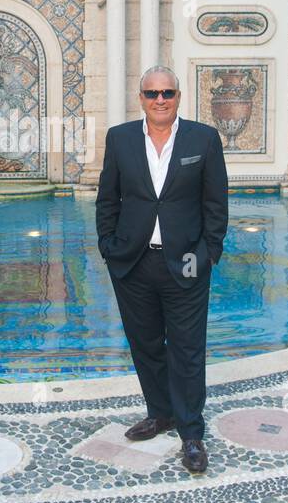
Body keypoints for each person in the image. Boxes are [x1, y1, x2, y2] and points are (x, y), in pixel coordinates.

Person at [95, 65, 228, 473]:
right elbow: (107, 200)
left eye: (167, 93)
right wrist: (110, 249)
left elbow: (216, 205)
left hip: (185, 263)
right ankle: (160, 413)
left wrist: (206, 255)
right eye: (152, 93)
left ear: (178, 97)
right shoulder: (119, 139)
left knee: (187, 350)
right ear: (141, 98)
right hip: (133, 263)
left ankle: (191, 432)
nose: (160, 100)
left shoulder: (203, 139)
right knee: (146, 344)